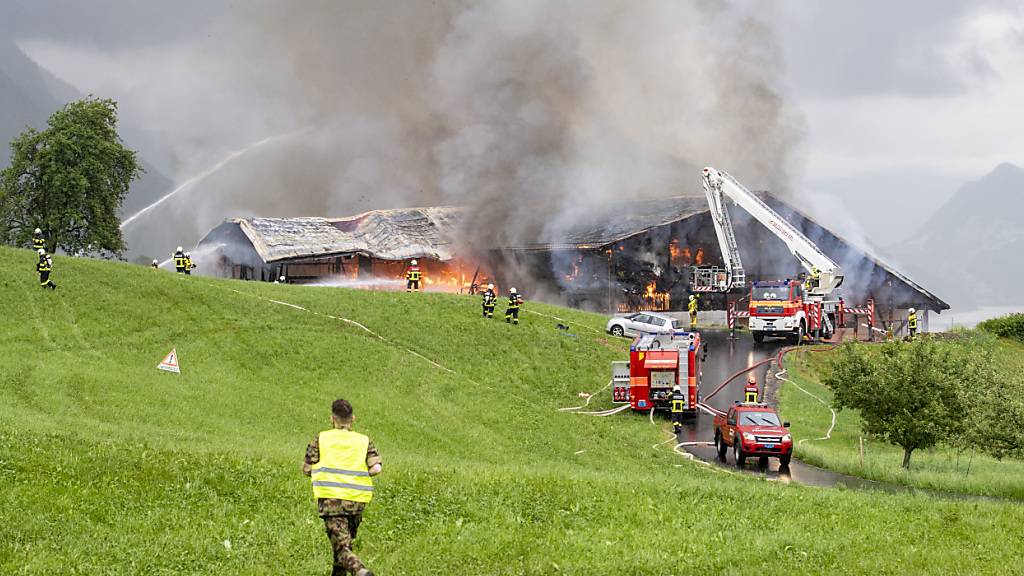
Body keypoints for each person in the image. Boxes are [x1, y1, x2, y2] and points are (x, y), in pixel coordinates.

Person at [303, 399, 381, 576]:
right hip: (357, 502)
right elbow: (376, 468)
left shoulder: (322, 438)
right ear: (353, 419)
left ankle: (360, 571)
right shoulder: (364, 441)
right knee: (342, 545)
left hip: (331, 501)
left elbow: (307, 468)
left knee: (342, 548)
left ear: (332, 419)